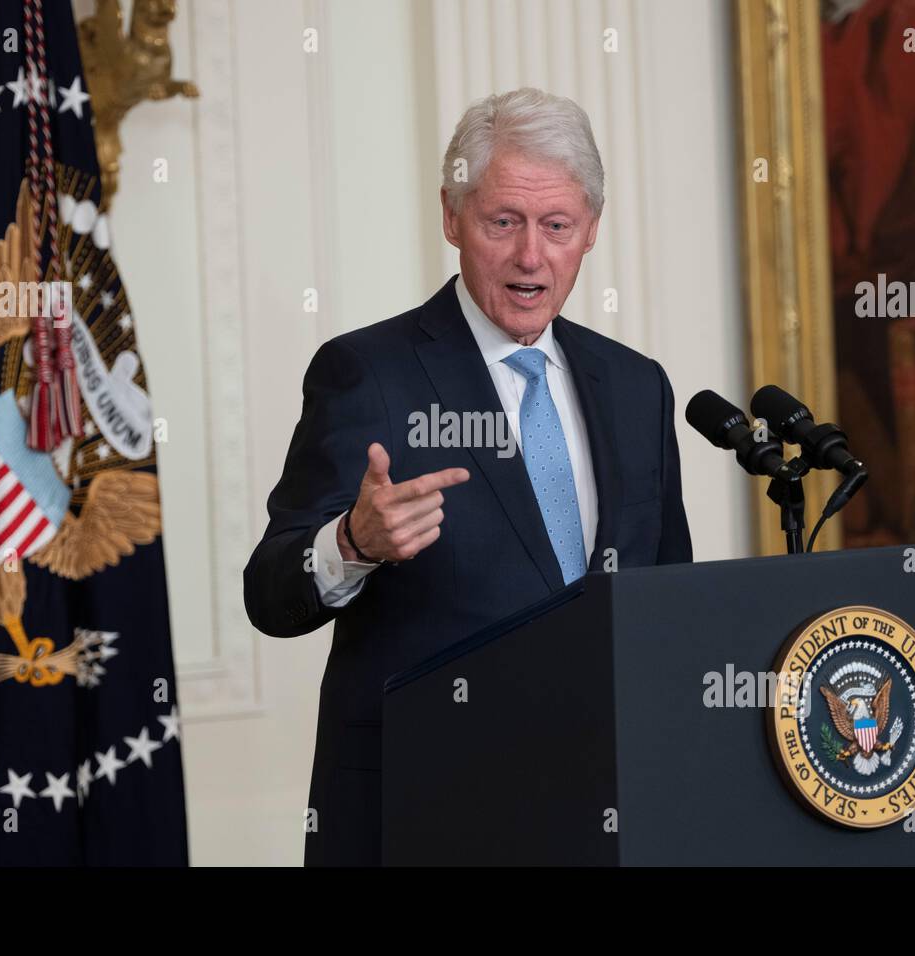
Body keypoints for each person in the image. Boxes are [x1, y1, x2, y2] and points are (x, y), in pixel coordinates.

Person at [243, 87, 693, 865]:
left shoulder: (636, 386)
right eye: (503, 222)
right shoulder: (367, 374)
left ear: (589, 231)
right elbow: (269, 592)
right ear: (453, 218)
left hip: (602, 812)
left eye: (557, 226)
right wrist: (352, 543)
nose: (530, 255)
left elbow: (669, 599)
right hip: (428, 814)